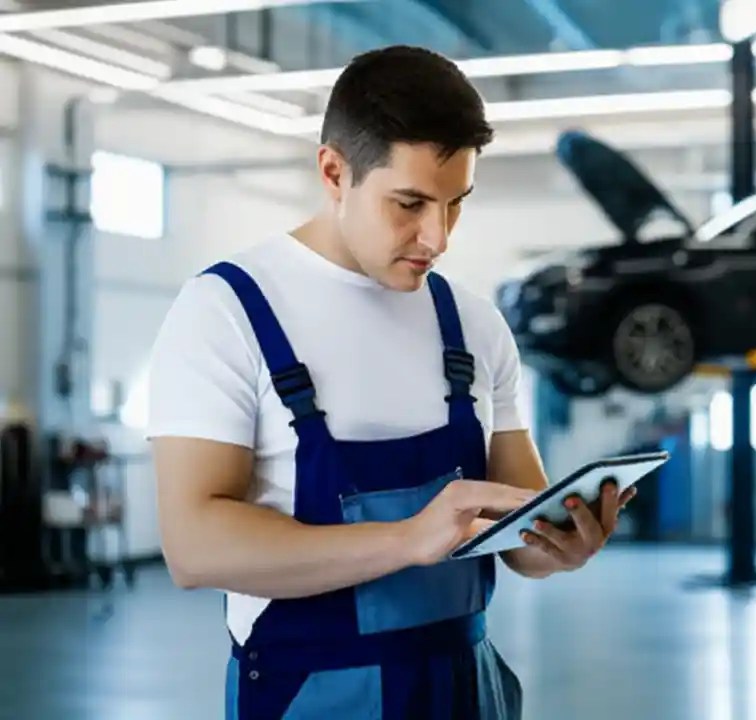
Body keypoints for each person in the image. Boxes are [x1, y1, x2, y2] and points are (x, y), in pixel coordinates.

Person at [146, 45, 634, 719]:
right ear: (334, 171)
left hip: (467, 691)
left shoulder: (473, 324)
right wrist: (409, 538)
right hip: (312, 696)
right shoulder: (226, 312)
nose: (437, 237)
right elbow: (193, 548)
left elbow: (520, 534)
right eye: (409, 203)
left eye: (456, 203)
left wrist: (564, 543)